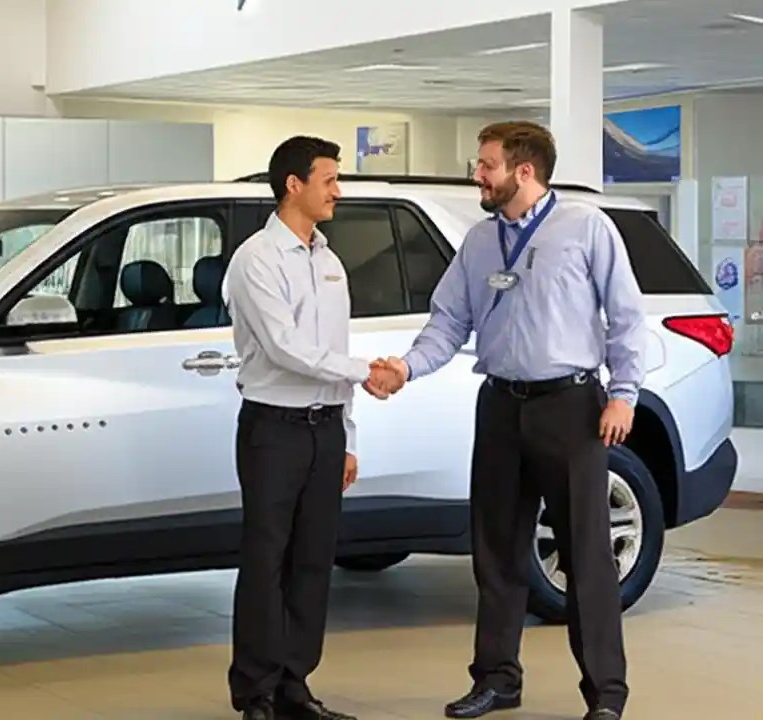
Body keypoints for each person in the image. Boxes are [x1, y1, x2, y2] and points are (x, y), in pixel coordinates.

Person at [368, 121, 645, 720]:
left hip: (570, 408)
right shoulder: (479, 242)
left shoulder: (585, 227)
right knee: (496, 550)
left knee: (585, 555)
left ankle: (606, 693)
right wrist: (406, 368)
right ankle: (497, 680)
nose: (478, 175)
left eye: (486, 165)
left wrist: (624, 394)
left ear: (524, 171)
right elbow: (448, 322)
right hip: (499, 406)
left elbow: (626, 316)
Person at [222, 135, 396, 720]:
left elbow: (332, 351)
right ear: (293, 185)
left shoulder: (329, 261)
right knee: (266, 562)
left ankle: (294, 687)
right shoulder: (256, 260)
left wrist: (349, 435)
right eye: (329, 180)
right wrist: (366, 373)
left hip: (325, 430)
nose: (337, 191)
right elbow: (285, 348)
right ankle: (256, 692)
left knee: (314, 562)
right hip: (274, 430)